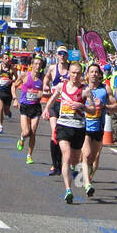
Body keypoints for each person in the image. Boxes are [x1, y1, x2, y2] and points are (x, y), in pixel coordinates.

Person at [42, 62, 90, 203]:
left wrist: (82, 106)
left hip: (78, 127)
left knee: (74, 160)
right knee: (66, 156)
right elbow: (52, 99)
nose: (75, 75)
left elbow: (93, 109)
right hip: (63, 125)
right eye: (73, 72)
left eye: (78, 73)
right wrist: (46, 109)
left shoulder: (85, 90)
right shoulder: (61, 86)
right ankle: (68, 190)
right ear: (69, 73)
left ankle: (73, 170)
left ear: (81, 74)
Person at [80, 64, 117, 195]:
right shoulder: (83, 88)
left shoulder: (105, 88)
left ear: (100, 75)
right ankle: (87, 184)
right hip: (85, 126)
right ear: (87, 74)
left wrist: (105, 107)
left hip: (98, 127)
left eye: (96, 72)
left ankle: (87, 174)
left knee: (94, 156)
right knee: (86, 154)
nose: (94, 74)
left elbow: (116, 106)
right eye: (91, 72)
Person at [14, 56, 47, 165]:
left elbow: (49, 92)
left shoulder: (43, 78)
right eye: (36, 64)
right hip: (25, 106)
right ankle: (22, 138)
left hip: (36, 107)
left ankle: (29, 155)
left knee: (33, 132)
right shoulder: (24, 75)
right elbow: (14, 86)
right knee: (26, 132)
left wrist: (43, 94)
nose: (37, 66)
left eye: (39, 64)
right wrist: (15, 99)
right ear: (31, 65)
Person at [44, 47, 71, 176]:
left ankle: (62, 162)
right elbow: (46, 78)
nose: (62, 56)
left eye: (64, 54)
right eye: (60, 53)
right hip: (54, 104)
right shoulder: (52, 68)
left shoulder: (71, 70)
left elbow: (81, 81)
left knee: (63, 136)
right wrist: (45, 85)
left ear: (67, 56)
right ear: (57, 55)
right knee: (55, 132)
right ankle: (54, 165)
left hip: (66, 106)